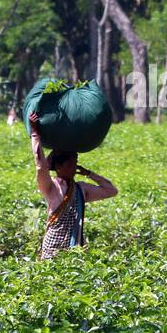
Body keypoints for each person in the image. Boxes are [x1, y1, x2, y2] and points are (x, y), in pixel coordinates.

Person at [29, 111, 117, 260]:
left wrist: (89, 173)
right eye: (70, 164)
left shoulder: (81, 189)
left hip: (75, 250)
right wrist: (35, 134)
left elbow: (111, 190)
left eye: (75, 163)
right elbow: (40, 165)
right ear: (58, 166)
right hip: (52, 248)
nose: (74, 167)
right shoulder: (51, 186)